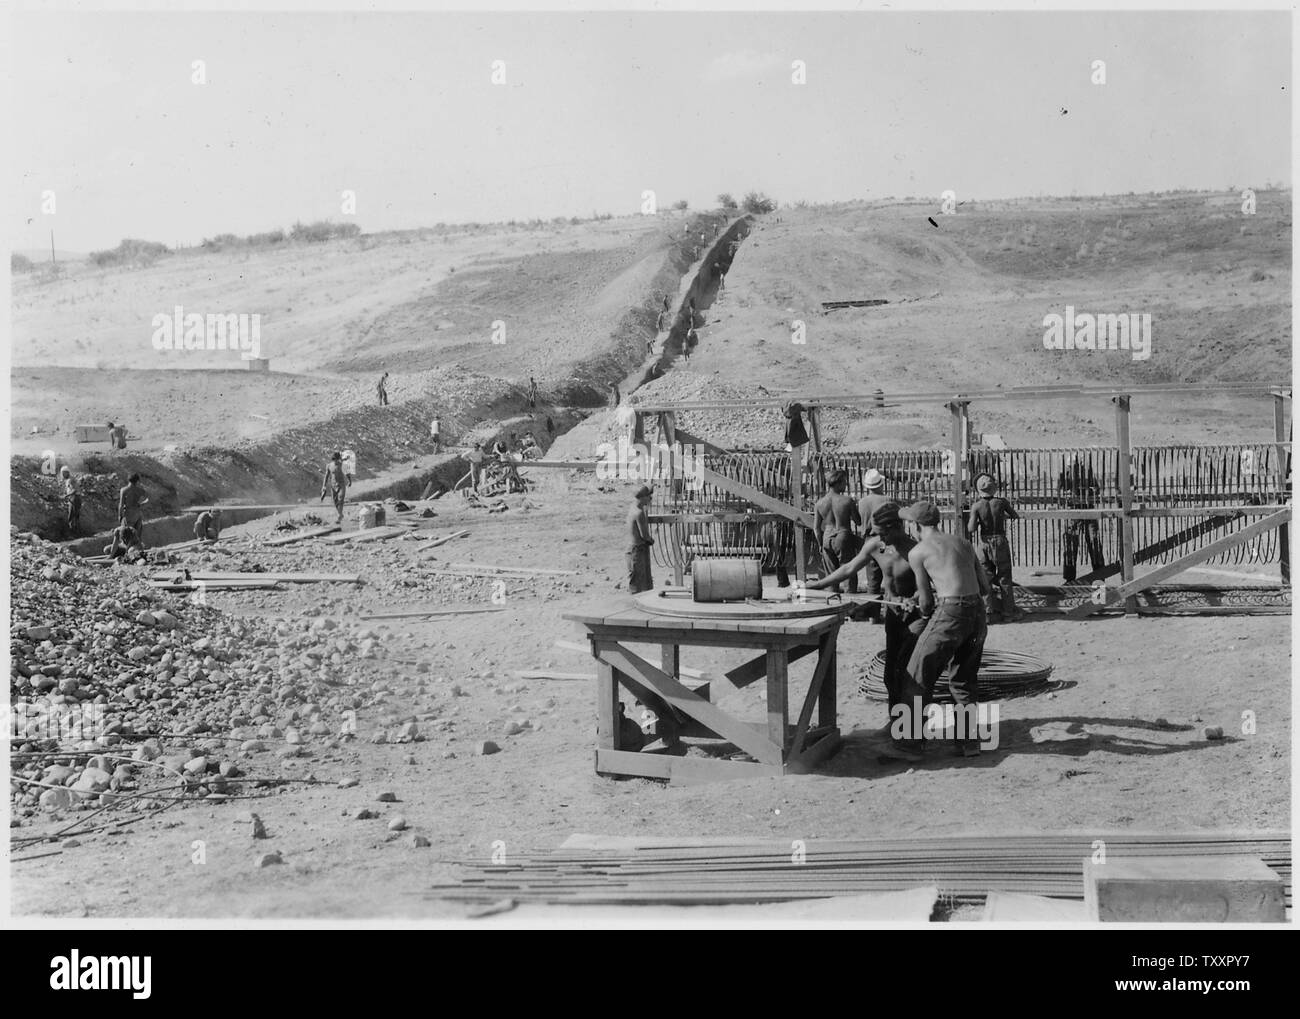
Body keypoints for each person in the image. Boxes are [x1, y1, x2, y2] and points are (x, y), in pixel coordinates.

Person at [885, 500, 991, 761]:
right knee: (963, 680)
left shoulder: (918, 552)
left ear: (916, 525)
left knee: (916, 675)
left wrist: (919, 609)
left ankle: (910, 745)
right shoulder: (963, 543)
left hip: (951, 612)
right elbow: (985, 587)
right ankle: (970, 743)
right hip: (977, 612)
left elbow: (926, 603)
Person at [807, 502, 923, 730]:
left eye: (883, 534)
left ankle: (912, 728)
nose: (881, 539)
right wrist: (820, 584)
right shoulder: (875, 546)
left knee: (909, 673)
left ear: (896, 527)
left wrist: (914, 599)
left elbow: (928, 587)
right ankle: (897, 723)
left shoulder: (915, 550)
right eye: (877, 534)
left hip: (915, 618)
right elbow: (849, 568)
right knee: (891, 674)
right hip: (892, 616)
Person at [967, 474, 1022, 621]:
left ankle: (988, 613)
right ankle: (1008, 613)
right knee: (1005, 577)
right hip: (1000, 541)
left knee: (985, 577)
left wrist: (979, 521)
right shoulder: (1001, 502)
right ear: (994, 488)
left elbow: (971, 529)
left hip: (984, 543)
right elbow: (1015, 516)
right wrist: (1000, 517)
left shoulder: (977, 506)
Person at [813, 468, 861, 592]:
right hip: (843, 537)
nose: (846, 485)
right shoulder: (847, 500)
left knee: (831, 576)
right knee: (848, 572)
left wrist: (820, 544)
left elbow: (816, 528)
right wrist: (856, 505)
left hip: (827, 538)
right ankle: (851, 602)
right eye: (844, 482)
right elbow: (858, 521)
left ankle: (833, 602)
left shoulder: (819, 503)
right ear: (838, 483)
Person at [1058, 456, 1105, 582]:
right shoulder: (1066, 474)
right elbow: (1059, 491)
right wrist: (1066, 494)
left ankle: (1099, 576)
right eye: (1073, 466)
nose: (1076, 468)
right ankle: (1069, 579)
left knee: (1094, 542)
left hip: (1088, 510)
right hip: (1073, 511)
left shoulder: (1088, 473)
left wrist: (1091, 492)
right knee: (1070, 544)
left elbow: (1097, 489)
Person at [856, 468, 891, 617]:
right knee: (889, 577)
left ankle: (873, 615)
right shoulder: (887, 500)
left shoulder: (862, 502)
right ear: (881, 484)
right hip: (884, 541)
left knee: (873, 580)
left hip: (869, 541)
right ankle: (891, 612)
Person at [626, 485, 655, 594]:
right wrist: (651, 540)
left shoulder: (633, 507)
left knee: (639, 580)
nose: (650, 499)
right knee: (637, 583)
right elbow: (645, 536)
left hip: (634, 548)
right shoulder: (639, 513)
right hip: (637, 550)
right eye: (648, 496)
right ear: (642, 497)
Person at [118, 473, 149, 545]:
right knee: (137, 535)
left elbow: (121, 505)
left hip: (128, 513)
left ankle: (126, 553)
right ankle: (137, 551)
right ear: (137, 481)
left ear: (128, 480)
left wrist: (120, 515)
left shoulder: (124, 490)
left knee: (126, 535)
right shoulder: (140, 490)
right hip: (137, 513)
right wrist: (142, 504)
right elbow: (148, 499)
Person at [320, 452, 348, 524]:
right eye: (333, 459)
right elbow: (326, 476)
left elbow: (347, 473)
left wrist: (350, 481)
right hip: (333, 485)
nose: (334, 461)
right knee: (335, 501)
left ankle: (339, 515)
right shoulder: (329, 466)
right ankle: (340, 514)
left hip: (341, 484)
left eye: (336, 459)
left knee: (341, 498)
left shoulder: (342, 465)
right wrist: (324, 486)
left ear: (338, 459)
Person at [60, 466, 82, 531]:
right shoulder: (71, 479)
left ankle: (73, 532)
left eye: (63, 473)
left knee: (71, 516)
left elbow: (74, 490)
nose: (62, 475)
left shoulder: (70, 480)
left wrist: (66, 496)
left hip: (74, 499)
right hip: (75, 498)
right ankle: (77, 531)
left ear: (66, 473)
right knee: (75, 516)